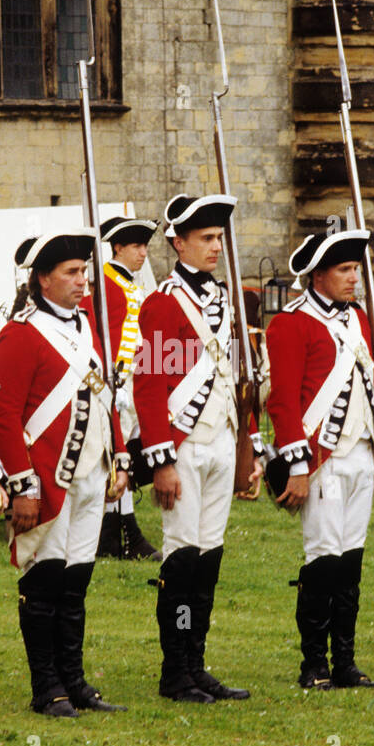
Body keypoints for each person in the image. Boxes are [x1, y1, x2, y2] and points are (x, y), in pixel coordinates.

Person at [0, 229, 131, 718]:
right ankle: (45, 686)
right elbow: (4, 415)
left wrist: (118, 457)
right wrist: (23, 485)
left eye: (83, 271)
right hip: (48, 478)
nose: (81, 281)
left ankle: (74, 680)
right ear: (42, 279)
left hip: (92, 473)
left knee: (76, 584)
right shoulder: (20, 334)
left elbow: (101, 392)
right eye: (70, 273)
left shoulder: (87, 324)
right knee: (45, 584)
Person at [134, 193, 259, 703]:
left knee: (209, 558)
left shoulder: (222, 298)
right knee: (181, 560)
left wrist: (247, 448)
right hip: (183, 445)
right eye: (205, 238)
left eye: (218, 238)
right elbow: (148, 385)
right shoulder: (163, 302)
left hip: (221, 440)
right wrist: (161, 459)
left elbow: (233, 378)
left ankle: (196, 661)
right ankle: (174, 672)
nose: (215, 246)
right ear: (178, 243)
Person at [265, 228, 374, 690]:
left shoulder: (360, 319)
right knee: (322, 559)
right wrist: (299, 467)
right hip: (321, 459)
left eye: (355, 269)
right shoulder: (291, 322)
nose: (353, 278)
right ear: (317, 274)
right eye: (344, 270)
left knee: (350, 561)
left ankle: (345, 661)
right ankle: (313, 665)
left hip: (362, 455)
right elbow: (282, 402)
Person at [82, 216, 161, 561]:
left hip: (132, 381)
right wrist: (113, 380)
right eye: (136, 247)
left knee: (125, 454)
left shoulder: (128, 283)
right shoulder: (109, 284)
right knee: (119, 454)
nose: (143, 253)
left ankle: (115, 532)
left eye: (145, 246)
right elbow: (103, 334)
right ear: (118, 248)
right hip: (116, 381)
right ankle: (122, 532)